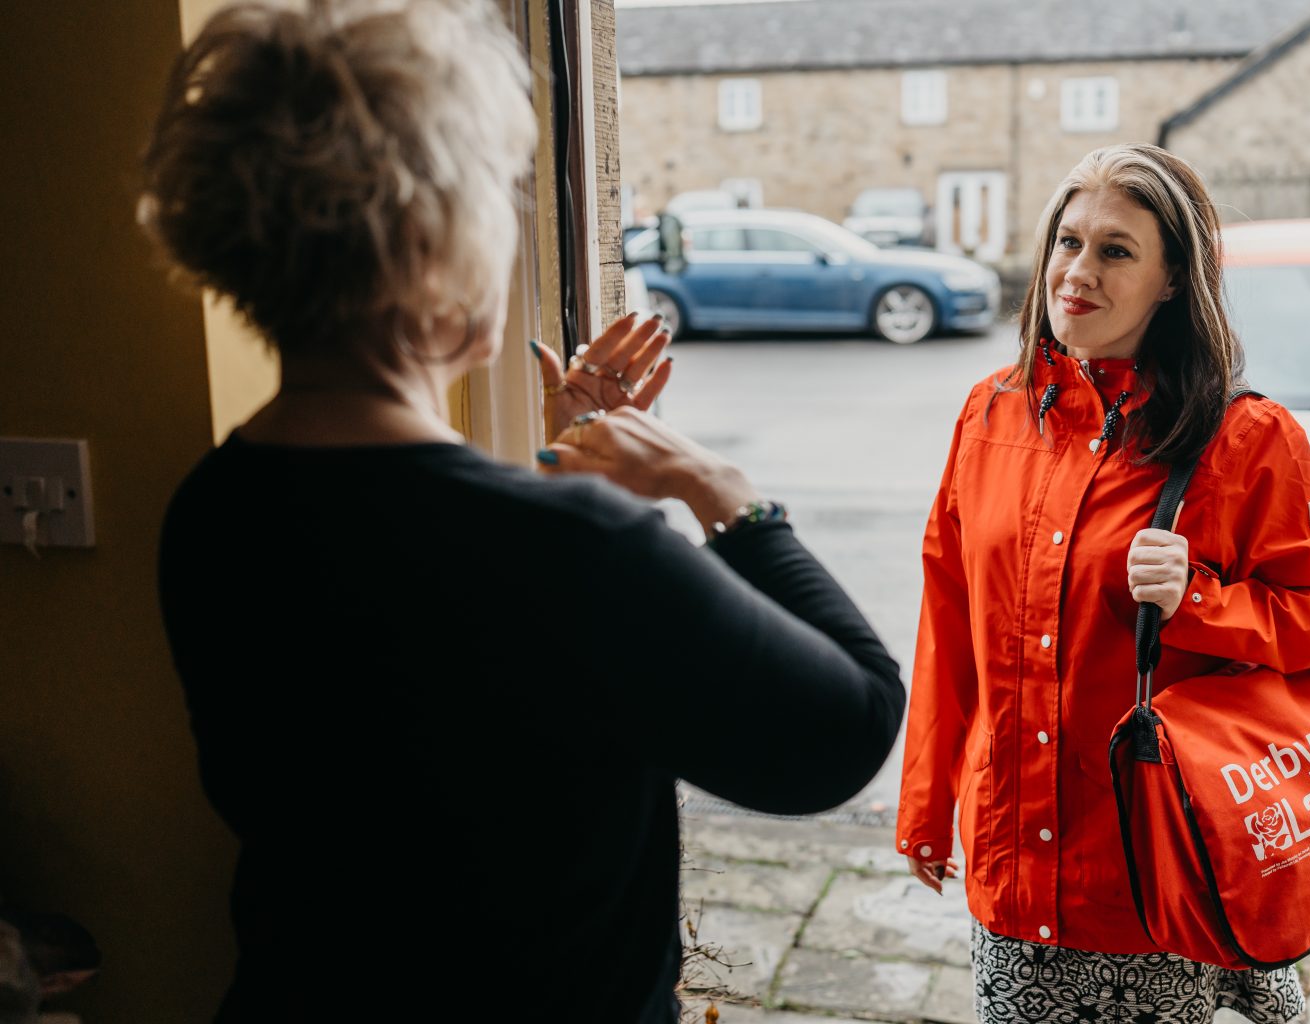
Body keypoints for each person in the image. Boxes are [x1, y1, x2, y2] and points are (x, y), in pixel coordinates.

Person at [141, 2, 904, 1020]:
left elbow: (443, 713)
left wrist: (570, 491)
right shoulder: (573, 552)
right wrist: (718, 490)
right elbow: (847, 726)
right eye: (500, 192)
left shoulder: (213, 505)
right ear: (434, 242)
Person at [895, 143, 1310, 1024]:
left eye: (1115, 250)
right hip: (1017, 864)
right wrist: (929, 805)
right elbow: (949, 620)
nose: (1076, 272)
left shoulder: (1245, 439)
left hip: (1154, 868)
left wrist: (1198, 600)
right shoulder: (989, 413)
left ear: (1171, 281)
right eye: (1067, 242)